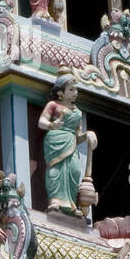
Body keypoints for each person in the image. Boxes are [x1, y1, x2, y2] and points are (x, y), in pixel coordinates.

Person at [37, 74, 96, 215]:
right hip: (55, 139)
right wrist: (52, 124)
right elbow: (41, 122)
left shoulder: (78, 112)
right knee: (55, 170)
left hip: (71, 142)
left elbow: (78, 135)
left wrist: (88, 135)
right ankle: (55, 201)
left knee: (74, 171)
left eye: (76, 90)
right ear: (60, 93)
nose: (75, 93)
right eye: (71, 89)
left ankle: (70, 204)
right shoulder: (53, 105)